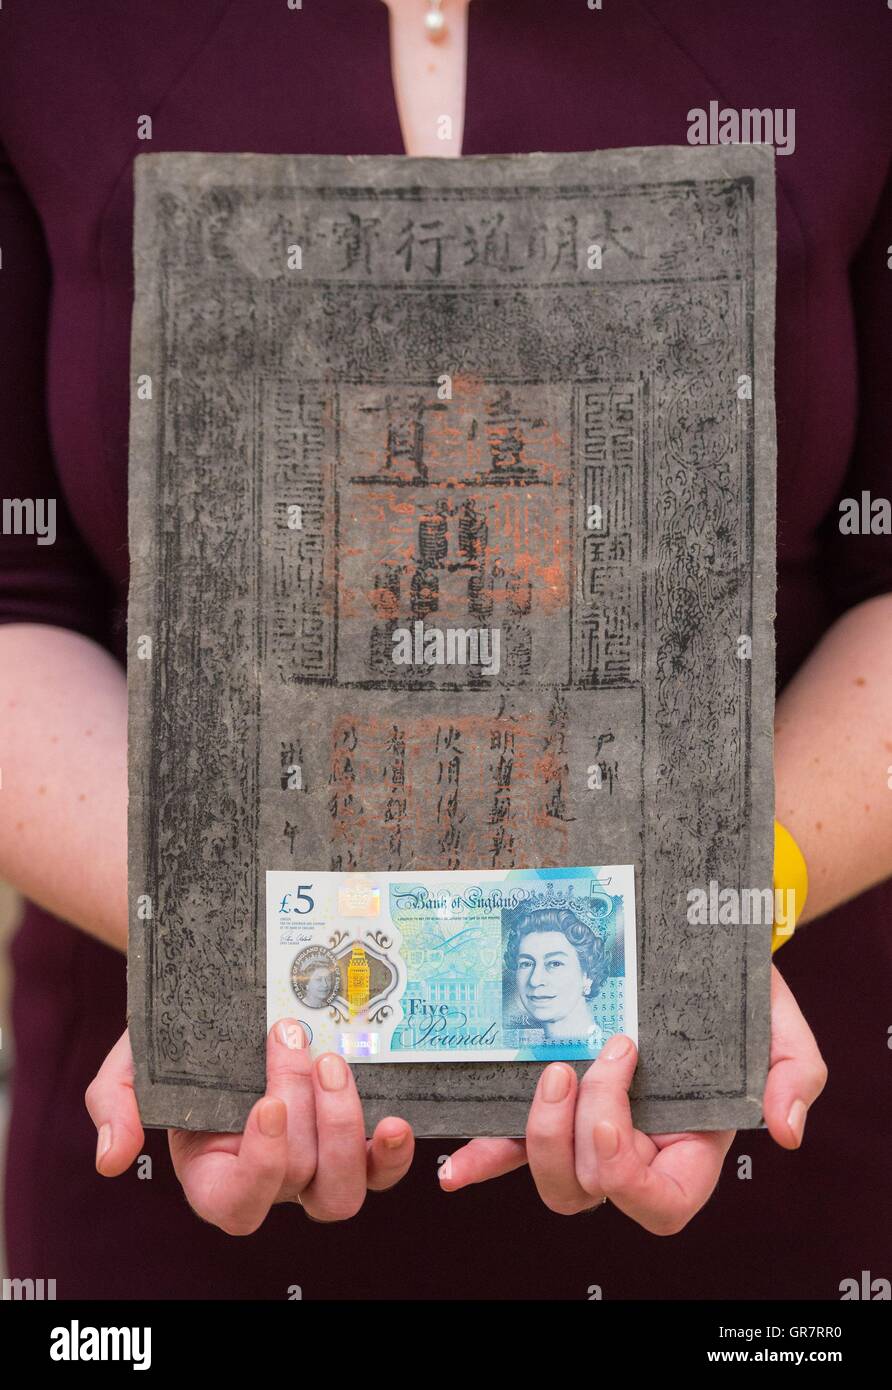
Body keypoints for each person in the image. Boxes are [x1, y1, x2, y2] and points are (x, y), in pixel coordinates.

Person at [1, 0, 890, 1299]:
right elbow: (19, 598)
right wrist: (216, 958)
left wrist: (716, 915)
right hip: (181, 1178)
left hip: (759, 1145)